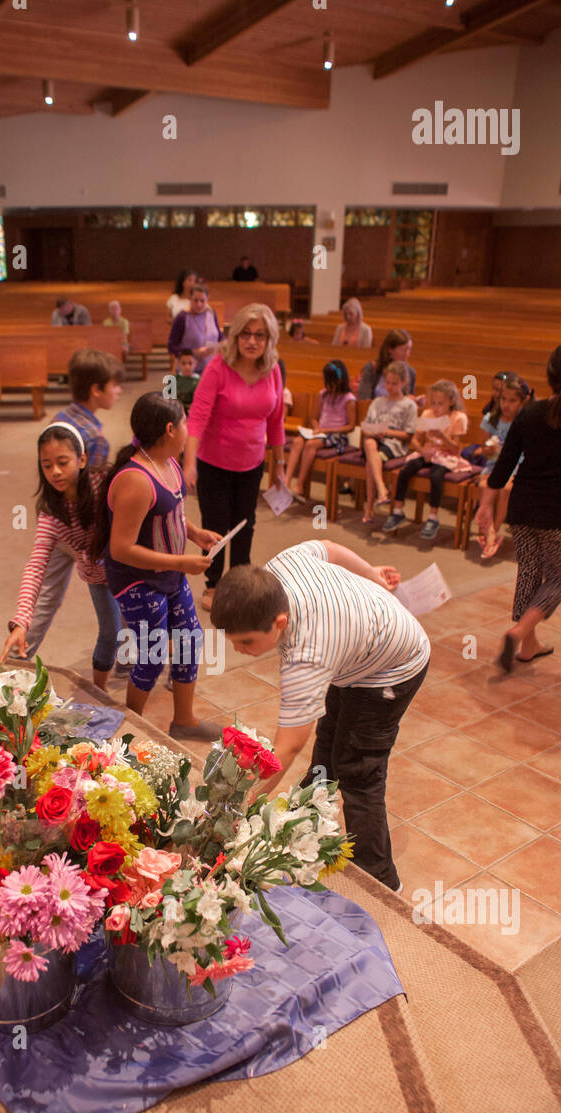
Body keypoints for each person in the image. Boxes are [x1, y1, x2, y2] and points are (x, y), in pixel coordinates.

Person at [211, 540, 430, 891]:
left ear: (279, 621)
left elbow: (287, 748)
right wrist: (371, 572)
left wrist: (237, 810)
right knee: (329, 744)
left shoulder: (308, 653)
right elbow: (327, 546)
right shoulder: (279, 569)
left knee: (359, 769)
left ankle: (381, 881)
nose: (238, 649)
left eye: (247, 642)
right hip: (356, 649)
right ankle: (307, 825)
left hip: (393, 667)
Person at [90, 392, 223, 743]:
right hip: (137, 581)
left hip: (169, 573)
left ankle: (184, 721)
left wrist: (195, 534)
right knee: (152, 656)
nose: (188, 429)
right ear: (169, 429)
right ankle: (130, 730)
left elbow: (173, 512)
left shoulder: (169, 462)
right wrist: (182, 562)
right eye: (185, 422)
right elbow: (120, 549)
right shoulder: (136, 478)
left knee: (190, 639)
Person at [475, 343, 561, 671]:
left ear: (548, 376)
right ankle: (519, 631)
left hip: (522, 508)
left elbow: (502, 468)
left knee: (530, 570)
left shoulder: (528, 413)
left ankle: (528, 645)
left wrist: (486, 506)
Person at [21, 349, 124, 661]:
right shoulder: (95, 438)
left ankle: (21, 653)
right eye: (114, 385)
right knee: (113, 593)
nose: (118, 391)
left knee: (48, 594)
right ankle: (125, 659)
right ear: (96, 389)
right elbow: (94, 503)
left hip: (57, 520)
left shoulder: (60, 419)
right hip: (77, 531)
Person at [0, 423, 120, 690]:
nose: (55, 471)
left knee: (138, 625)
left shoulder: (106, 483)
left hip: (126, 568)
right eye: (46, 465)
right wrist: (20, 622)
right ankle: (99, 693)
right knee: (110, 631)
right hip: (96, 574)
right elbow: (35, 567)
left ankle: (131, 662)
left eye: (63, 462)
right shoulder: (50, 513)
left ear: (82, 459)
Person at [182, 303, 285, 611]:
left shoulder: (273, 369)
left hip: (252, 463)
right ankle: (213, 584)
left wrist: (279, 464)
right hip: (214, 462)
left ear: (269, 339)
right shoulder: (218, 367)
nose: (252, 341)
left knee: (245, 524)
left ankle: (240, 583)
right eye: (246, 334)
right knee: (215, 526)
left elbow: (276, 420)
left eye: (260, 335)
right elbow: (197, 417)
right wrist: (189, 464)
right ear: (235, 336)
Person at [382, 379, 469, 541]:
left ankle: (433, 517)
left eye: (440, 404)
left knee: (436, 476)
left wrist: (442, 436)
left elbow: (457, 447)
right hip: (428, 452)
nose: (435, 407)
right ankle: (397, 511)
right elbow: (415, 440)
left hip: (446, 455)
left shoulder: (458, 417)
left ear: (451, 401)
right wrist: (422, 451)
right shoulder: (427, 414)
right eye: (433, 403)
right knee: (405, 470)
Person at [472, 374, 533, 558]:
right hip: (494, 463)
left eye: (512, 400)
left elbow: (528, 449)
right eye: (503, 399)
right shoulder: (491, 418)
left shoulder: (525, 421)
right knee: (485, 486)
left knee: (505, 489)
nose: (506, 405)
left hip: (517, 465)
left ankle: (493, 531)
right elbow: (483, 448)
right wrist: (488, 449)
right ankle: (490, 532)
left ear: (522, 402)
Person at [285, 359, 356, 499]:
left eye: (332, 383)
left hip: (337, 435)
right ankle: (286, 482)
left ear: (340, 381)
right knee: (298, 441)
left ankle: (300, 485)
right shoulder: (323, 394)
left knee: (311, 444)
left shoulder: (348, 399)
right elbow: (314, 418)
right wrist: (317, 428)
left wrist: (327, 430)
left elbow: (351, 426)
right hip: (321, 433)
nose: (329, 386)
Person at [358, 362, 417, 523]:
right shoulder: (377, 402)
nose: (390, 387)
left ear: (404, 383)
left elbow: (408, 434)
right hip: (374, 441)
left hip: (394, 445)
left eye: (394, 383)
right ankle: (382, 489)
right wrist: (375, 431)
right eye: (387, 382)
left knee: (370, 462)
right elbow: (365, 427)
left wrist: (387, 432)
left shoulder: (409, 405)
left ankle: (369, 507)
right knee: (369, 444)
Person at [168, 281, 223, 373]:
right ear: (190, 299)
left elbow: (219, 336)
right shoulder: (182, 317)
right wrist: (193, 352)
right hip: (189, 370)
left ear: (208, 299)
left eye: (202, 301)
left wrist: (223, 344)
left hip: (211, 367)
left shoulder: (211, 313)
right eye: (195, 300)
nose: (199, 304)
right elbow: (171, 346)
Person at [357, 329, 417, 401]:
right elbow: (363, 399)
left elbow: (407, 401)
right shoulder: (372, 368)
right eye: (403, 350)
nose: (407, 354)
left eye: (409, 349)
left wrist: (415, 401)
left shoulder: (411, 372)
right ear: (390, 350)